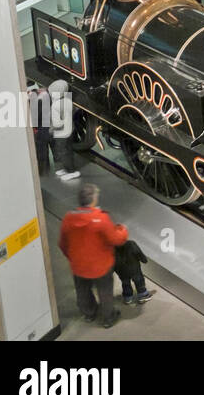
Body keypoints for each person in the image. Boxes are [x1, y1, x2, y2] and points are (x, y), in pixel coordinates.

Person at [59, 183, 128, 328]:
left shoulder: (68, 218)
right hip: (100, 266)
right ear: (93, 200)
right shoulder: (101, 219)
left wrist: (72, 258)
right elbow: (116, 239)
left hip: (78, 265)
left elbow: (63, 244)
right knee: (105, 291)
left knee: (82, 290)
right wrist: (123, 230)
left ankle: (89, 313)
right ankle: (108, 317)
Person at [48, 79, 79, 181]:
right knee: (66, 151)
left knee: (64, 152)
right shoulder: (68, 101)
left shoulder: (56, 105)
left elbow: (57, 123)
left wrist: (51, 127)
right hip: (69, 130)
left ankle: (72, 171)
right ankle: (66, 169)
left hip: (61, 133)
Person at [113, 236, 155, 306]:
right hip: (134, 269)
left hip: (121, 271)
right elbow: (139, 253)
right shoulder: (131, 244)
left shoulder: (111, 248)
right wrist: (144, 260)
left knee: (125, 283)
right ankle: (142, 295)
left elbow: (111, 261)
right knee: (139, 281)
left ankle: (127, 298)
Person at [28, 82, 52, 177]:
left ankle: (43, 171)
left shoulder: (36, 102)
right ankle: (47, 169)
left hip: (41, 130)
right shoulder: (47, 97)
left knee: (41, 152)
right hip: (49, 128)